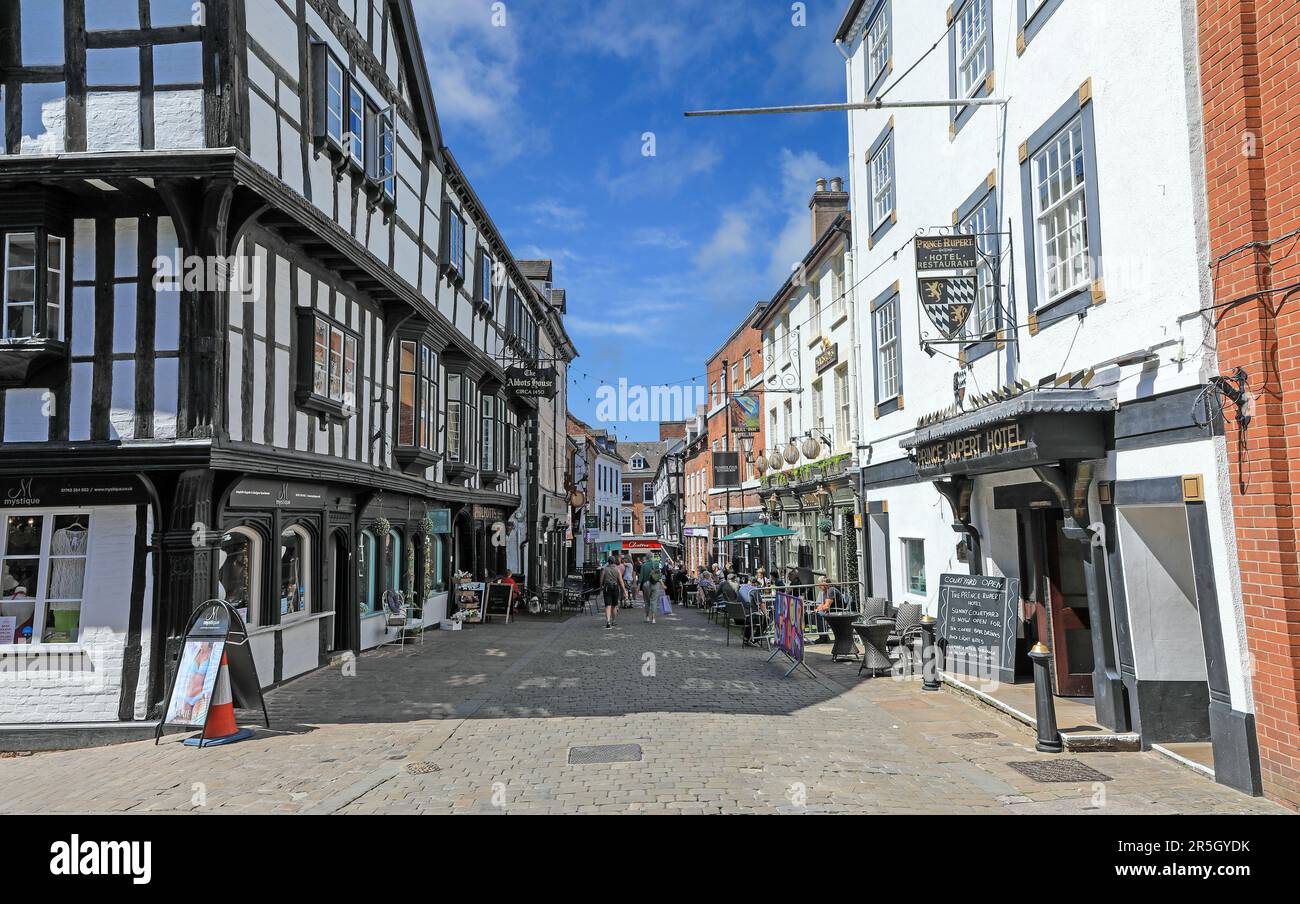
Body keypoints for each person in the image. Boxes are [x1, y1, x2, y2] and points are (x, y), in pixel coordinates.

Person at [599, 556, 626, 628]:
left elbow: (601, 579)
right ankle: (613, 621)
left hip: (607, 587)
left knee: (608, 605)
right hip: (615, 587)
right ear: (614, 561)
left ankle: (608, 621)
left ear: (608, 561)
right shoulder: (617, 569)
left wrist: (601, 586)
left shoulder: (605, 569)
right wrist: (624, 590)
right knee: (614, 606)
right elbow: (621, 581)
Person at [639, 554, 665, 625]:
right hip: (655, 584)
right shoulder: (656, 564)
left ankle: (647, 617)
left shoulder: (644, 565)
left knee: (647, 602)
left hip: (646, 584)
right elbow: (659, 575)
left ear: (646, 558)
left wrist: (638, 587)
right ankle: (653, 619)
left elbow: (641, 577)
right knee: (654, 601)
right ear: (652, 557)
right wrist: (662, 584)